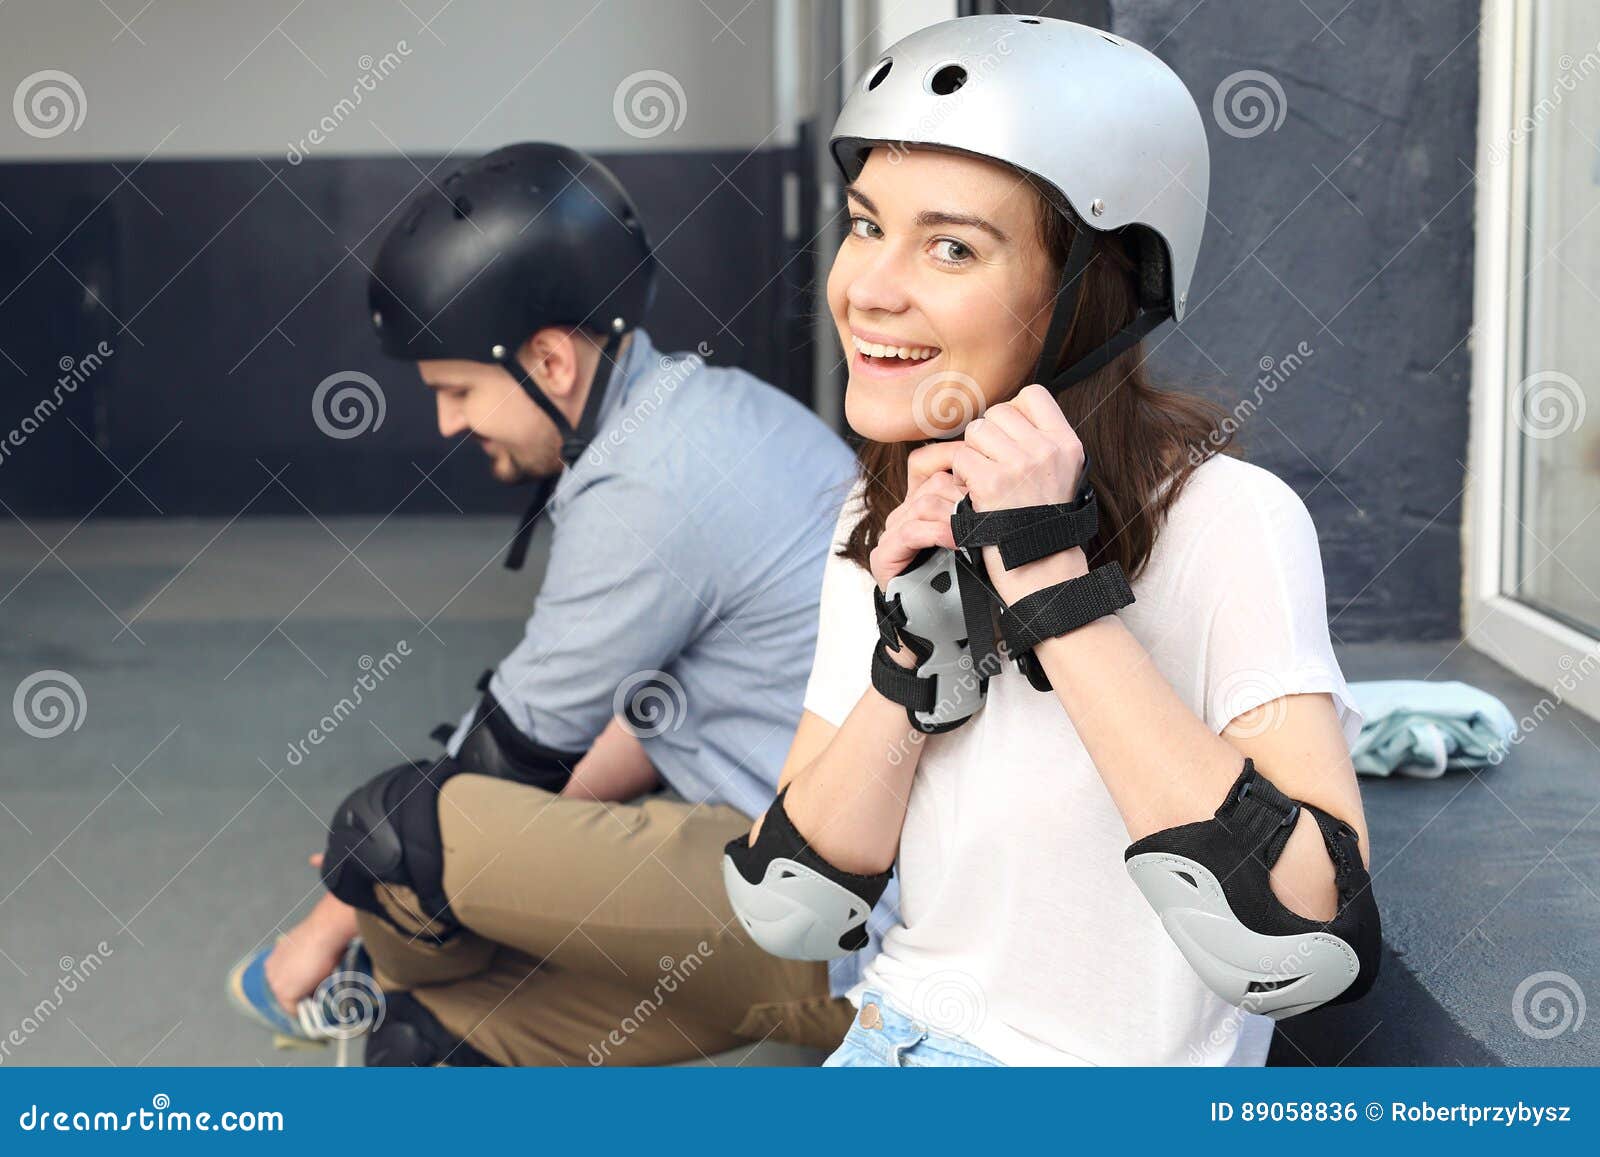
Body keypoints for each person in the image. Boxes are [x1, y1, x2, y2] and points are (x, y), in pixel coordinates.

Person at [724, 15, 1381, 1067]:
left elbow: (1303, 935)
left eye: (950, 245)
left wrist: (1051, 584)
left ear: (1088, 286)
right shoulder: (888, 516)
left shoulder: (1228, 519)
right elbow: (789, 904)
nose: (867, 288)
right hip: (887, 1043)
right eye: (864, 224)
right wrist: (910, 657)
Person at [226, 141, 880, 1065]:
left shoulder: (650, 486)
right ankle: (394, 983)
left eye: (459, 390)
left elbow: (512, 756)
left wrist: (333, 914)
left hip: (831, 927)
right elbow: (622, 725)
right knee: (431, 1046)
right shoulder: (707, 409)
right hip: (808, 878)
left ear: (549, 361)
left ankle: (358, 962)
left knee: (393, 832)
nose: (449, 421)